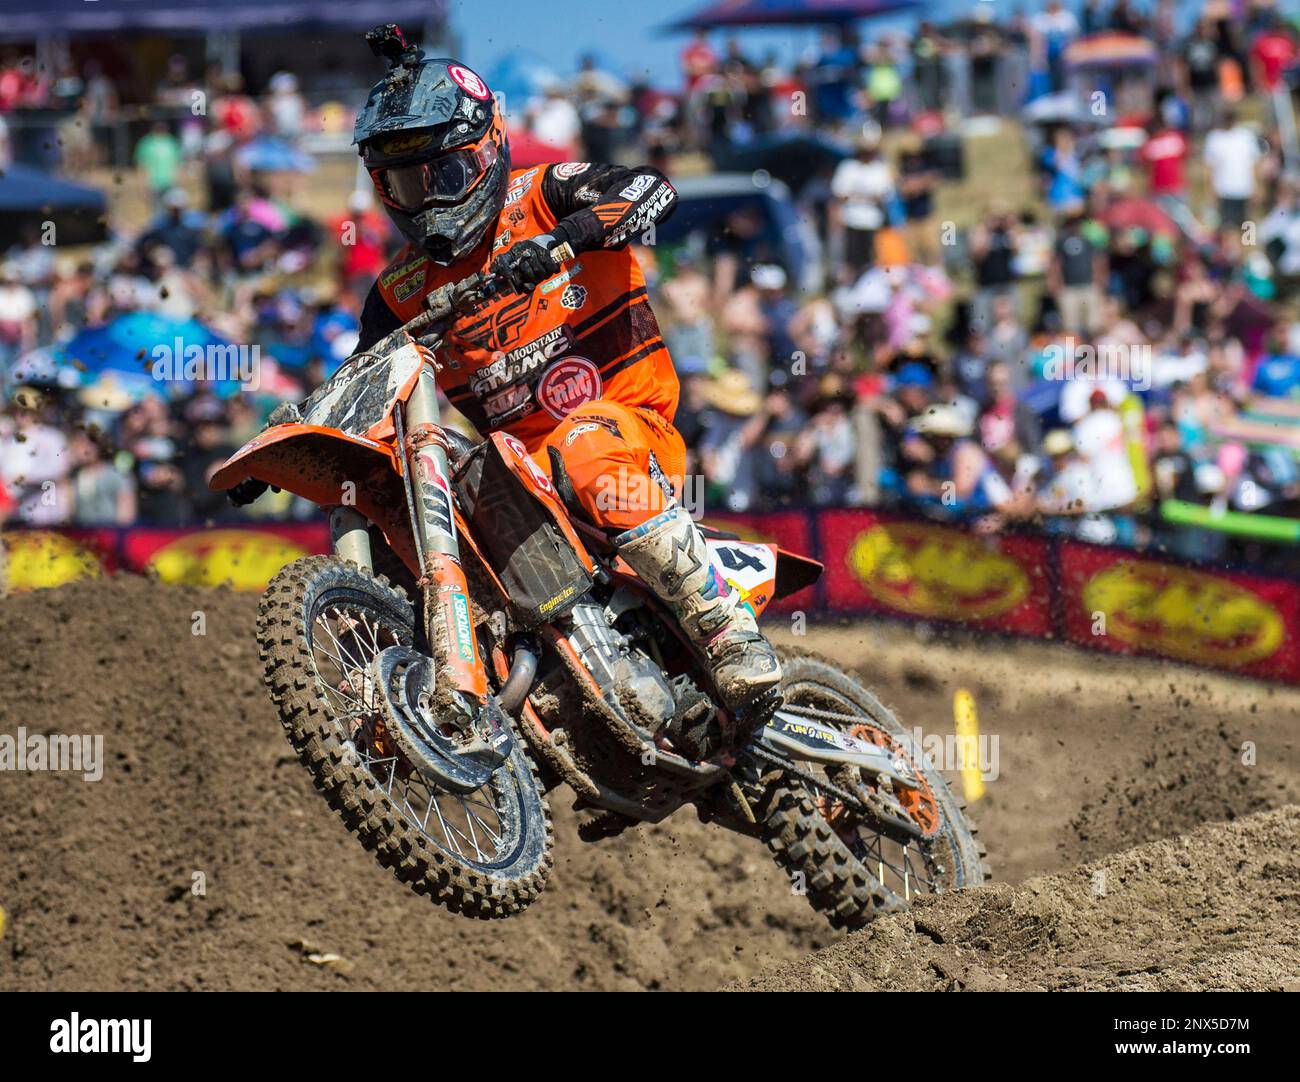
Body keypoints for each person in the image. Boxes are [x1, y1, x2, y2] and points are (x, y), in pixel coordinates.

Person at [231, 28, 781, 716]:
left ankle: (727, 631)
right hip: (515, 474)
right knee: (386, 491)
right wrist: (283, 442)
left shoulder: (545, 194)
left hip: (630, 430)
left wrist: (563, 240)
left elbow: (651, 190)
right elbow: (362, 375)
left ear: (487, 151)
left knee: (584, 444)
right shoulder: (401, 289)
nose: (429, 199)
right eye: (407, 182)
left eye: (445, 175)